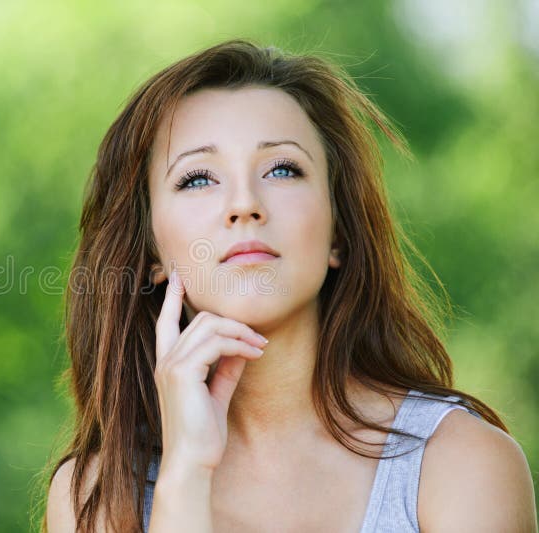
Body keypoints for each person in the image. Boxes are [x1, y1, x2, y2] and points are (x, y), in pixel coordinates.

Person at [42, 39, 537, 532]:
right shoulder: (94, 497)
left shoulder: (461, 464)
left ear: (338, 234)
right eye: (197, 179)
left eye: (282, 169)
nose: (244, 204)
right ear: (152, 255)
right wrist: (185, 476)